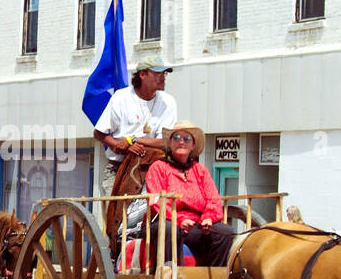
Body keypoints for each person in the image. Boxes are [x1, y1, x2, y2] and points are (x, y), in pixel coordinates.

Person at [143, 120, 235, 267]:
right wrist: (178, 220)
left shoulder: (200, 170)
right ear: (170, 143)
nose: (181, 142)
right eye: (177, 138)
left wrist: (208, 219)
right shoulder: (158, 167)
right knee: (168, 229)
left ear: (193, 145)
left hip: (196, 225)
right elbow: (156, 201)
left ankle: (216, 277)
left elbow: (214, 199)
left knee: (225, 232)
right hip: (165, 222)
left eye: (186, 139)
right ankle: (166, 275)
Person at [93, 57, 178, 196]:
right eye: (157, 74)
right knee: (117, 214)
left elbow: (165, 142)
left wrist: (132, 140)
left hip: (152, 168)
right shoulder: (121, 97)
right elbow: (99, 133)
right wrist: (118, 146)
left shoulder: (168, 102)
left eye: (165, 73)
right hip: (118, 168)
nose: (163, 78)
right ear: (142, 75)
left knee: (155, 213)